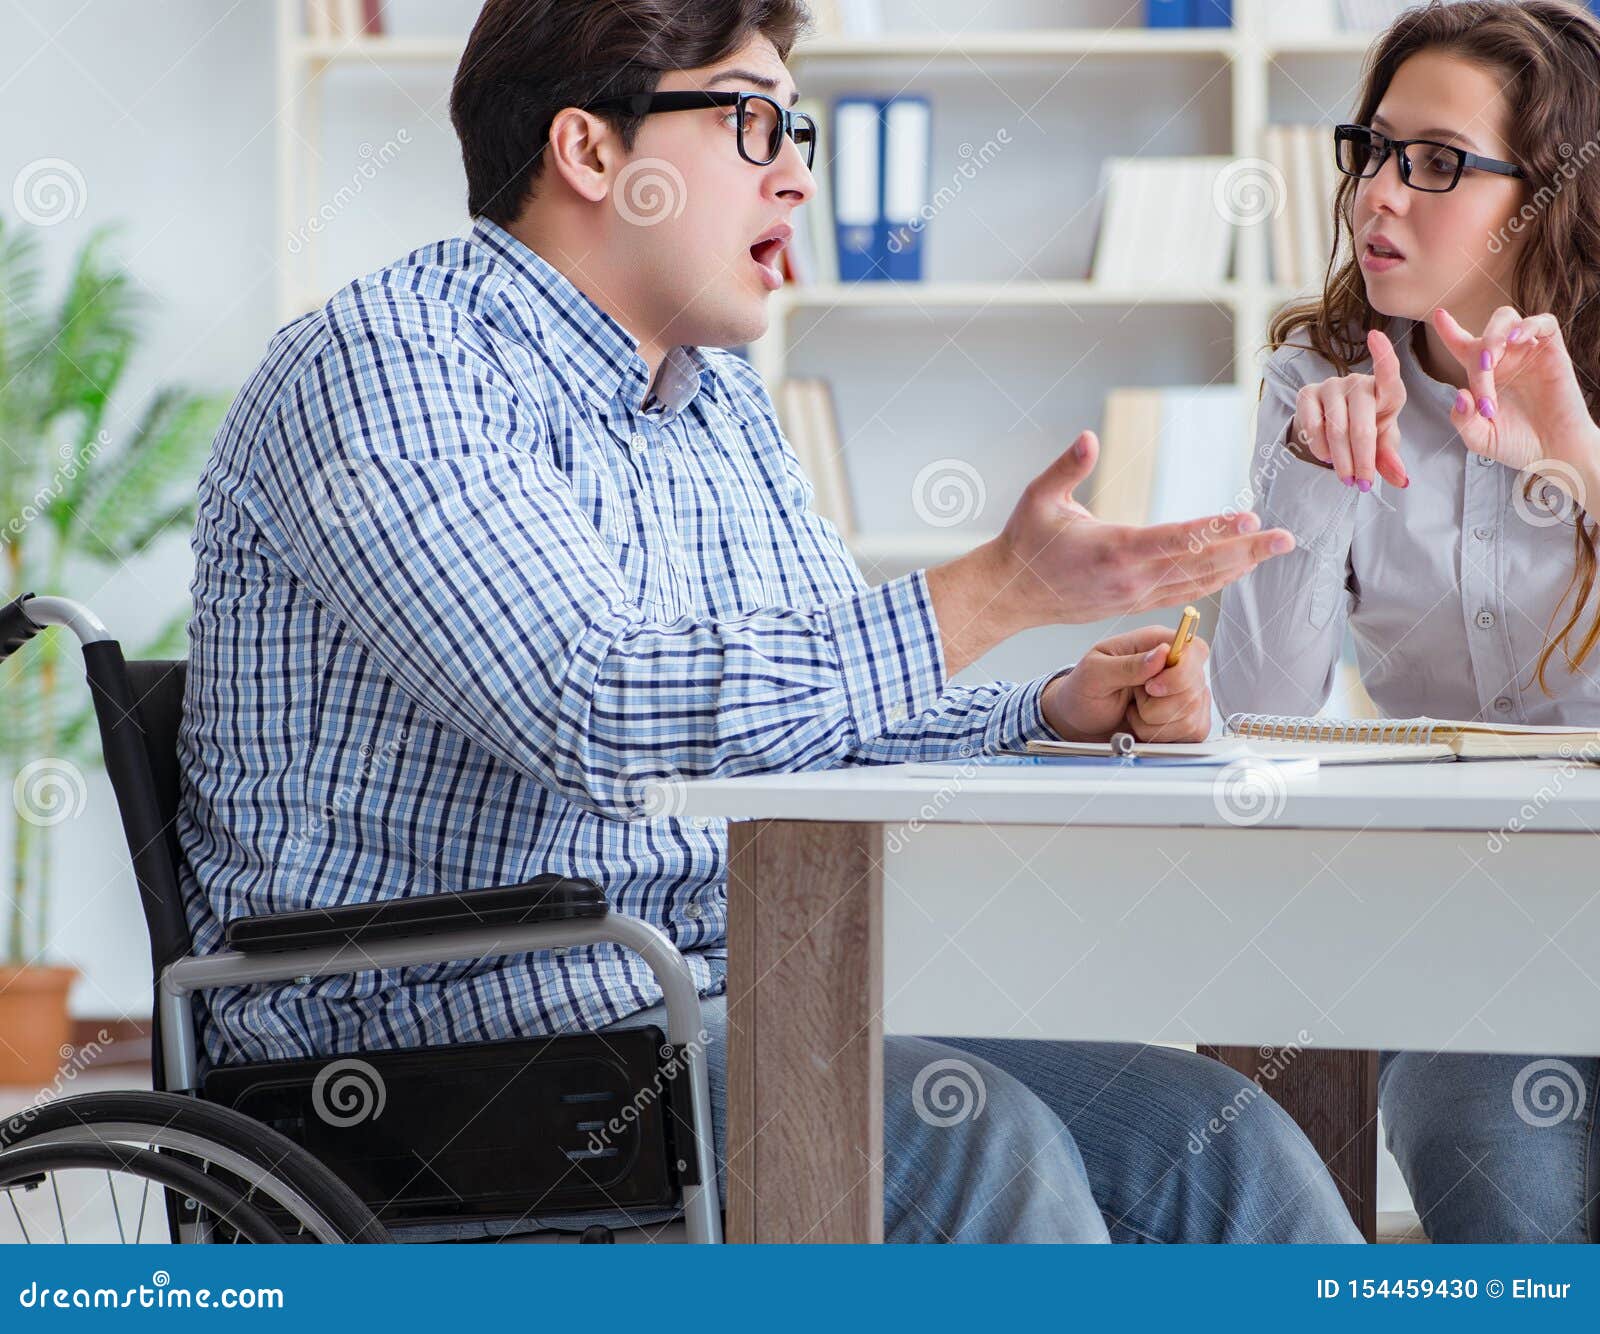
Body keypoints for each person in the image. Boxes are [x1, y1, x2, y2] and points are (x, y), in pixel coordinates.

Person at [179, 0, 1359, 1243]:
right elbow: (602, 706)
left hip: (709, 1002)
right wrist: (992, 590)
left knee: (1209, 1140)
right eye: (753, 123)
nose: (799, 175)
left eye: (794, 128)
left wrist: (1053, 708)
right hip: (424, 1046)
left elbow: (812, 719)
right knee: (976, 1151)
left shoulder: (715, 401)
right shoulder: (383, 367)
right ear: (589, 153)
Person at [1213, 0, 1600, 1243]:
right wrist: (1312, 478)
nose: (1379, 193)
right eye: (1372, 150)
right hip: (1469, 928)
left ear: (1545, 196)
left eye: (1434, 163)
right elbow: (1257, 716)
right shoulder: (1316, 375)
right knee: (1506, 1203)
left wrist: (1580, 457)